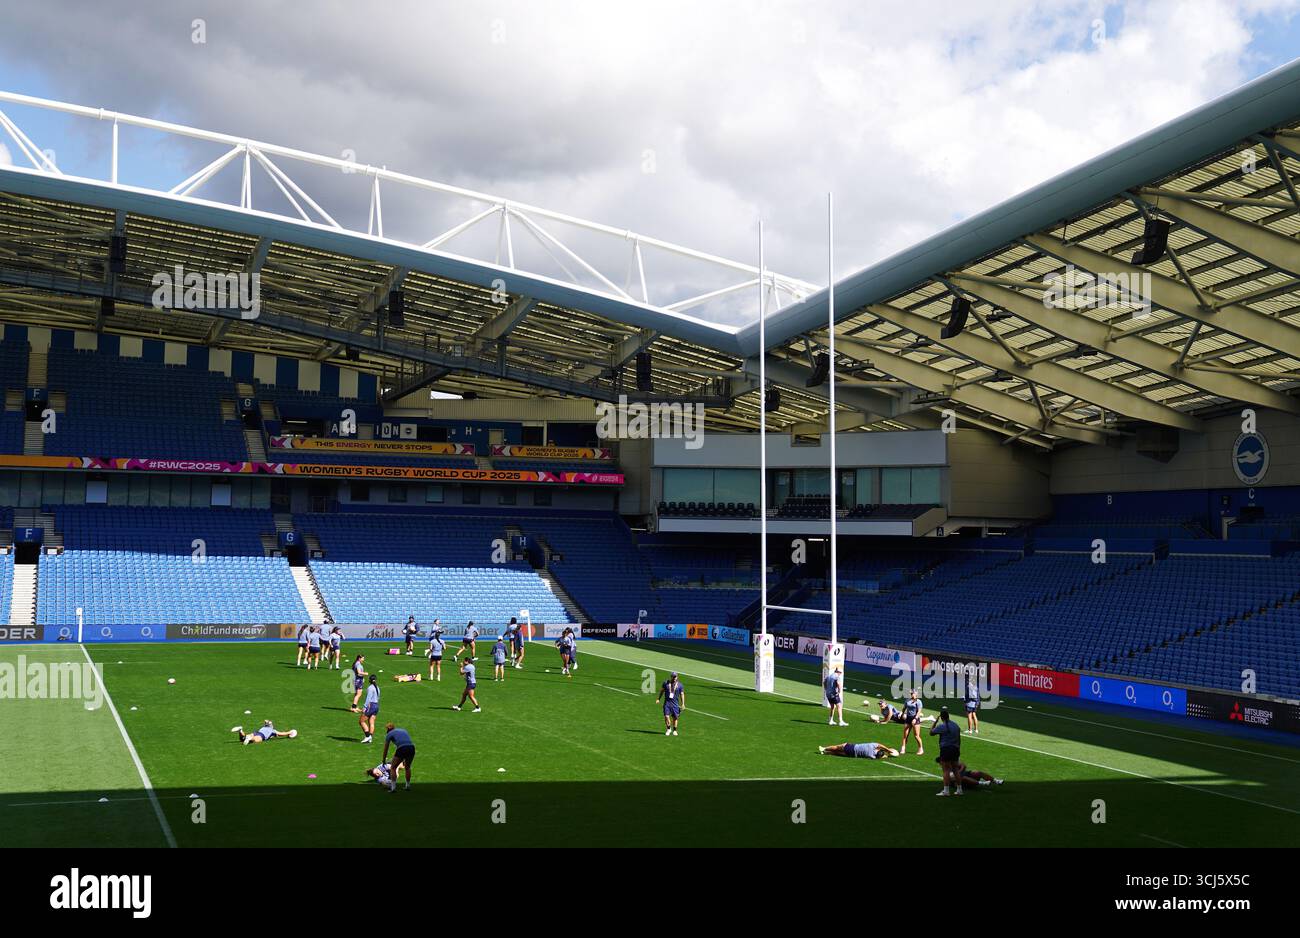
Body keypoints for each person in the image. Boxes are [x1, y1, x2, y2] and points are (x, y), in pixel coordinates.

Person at [930, 706, 963, 796]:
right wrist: (958, 748)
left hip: (946, 749)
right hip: (955, 749)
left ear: (941, 718)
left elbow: (931, 732)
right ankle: (960, 790)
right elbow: (959, 738)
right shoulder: (956, 725)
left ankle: (946, 791)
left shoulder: (942, 726)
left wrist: (935, 722)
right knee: (955, 769)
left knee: (946, 770)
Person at [380, 723, 416, 792]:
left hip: (402, 748)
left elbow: (385, 749)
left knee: (393, 767)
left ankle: (393, 788)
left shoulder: (389, 734)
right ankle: (407, 786)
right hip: (411, 747)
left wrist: (384, 760)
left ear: (388, 729)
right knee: (407, 767)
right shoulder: (403, 730)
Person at [657, 672, 685, 736]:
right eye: (673, 676)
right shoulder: (666, 683)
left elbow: (682, 694)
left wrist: (683, 703)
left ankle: (675, 730)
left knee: (675, 718)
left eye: (676, 677)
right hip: (667, 703)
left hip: (675, 704)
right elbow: (662, 691)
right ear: (671, 677)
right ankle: (668, 728)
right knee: (666, 716)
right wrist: (658, 698)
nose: (675, 678)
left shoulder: (680, 685)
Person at [900, 689, 925, 756]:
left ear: (916, 694)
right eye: (911, 693)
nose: (911, 694)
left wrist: (915, 718)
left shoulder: (919, 702)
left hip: (915, 719)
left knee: (916, 735)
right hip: (908, 718)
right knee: (905, 735)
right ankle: (903, 748)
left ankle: (921, 749)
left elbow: (919, 711)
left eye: (913, 693)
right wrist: (901, 714)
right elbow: (904, 708)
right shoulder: (907, 700)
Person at [232, 720, 297, 745]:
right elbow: (283, 733)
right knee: (254, 740)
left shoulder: (264, 727)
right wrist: (290, 732)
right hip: (261, 735)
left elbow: (266, 721)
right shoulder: (273, 731)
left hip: (256, 732)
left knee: (242, 739)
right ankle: (249, 738)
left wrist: (267, 722)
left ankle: (241, 731)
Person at [817, 741, 899, 759]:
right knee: (837, 753)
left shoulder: (872, 745)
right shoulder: (872, 756)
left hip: (852, 747)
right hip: (852, 755)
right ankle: (825, 753)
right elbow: (880, 756)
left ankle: (824, 748)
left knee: (837, 747)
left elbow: (880, 745)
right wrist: (887, 755)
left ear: (877, 750)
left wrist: (888, 749)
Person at [360, 674, 380, 743]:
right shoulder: (377, 687)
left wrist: (365, 707)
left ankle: (367, 736)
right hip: (376, 705)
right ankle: (370, 737)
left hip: (371, 706)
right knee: (371, 722)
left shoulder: (370, 688)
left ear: (369, 680)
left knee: (361, 721)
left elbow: (368, 698)